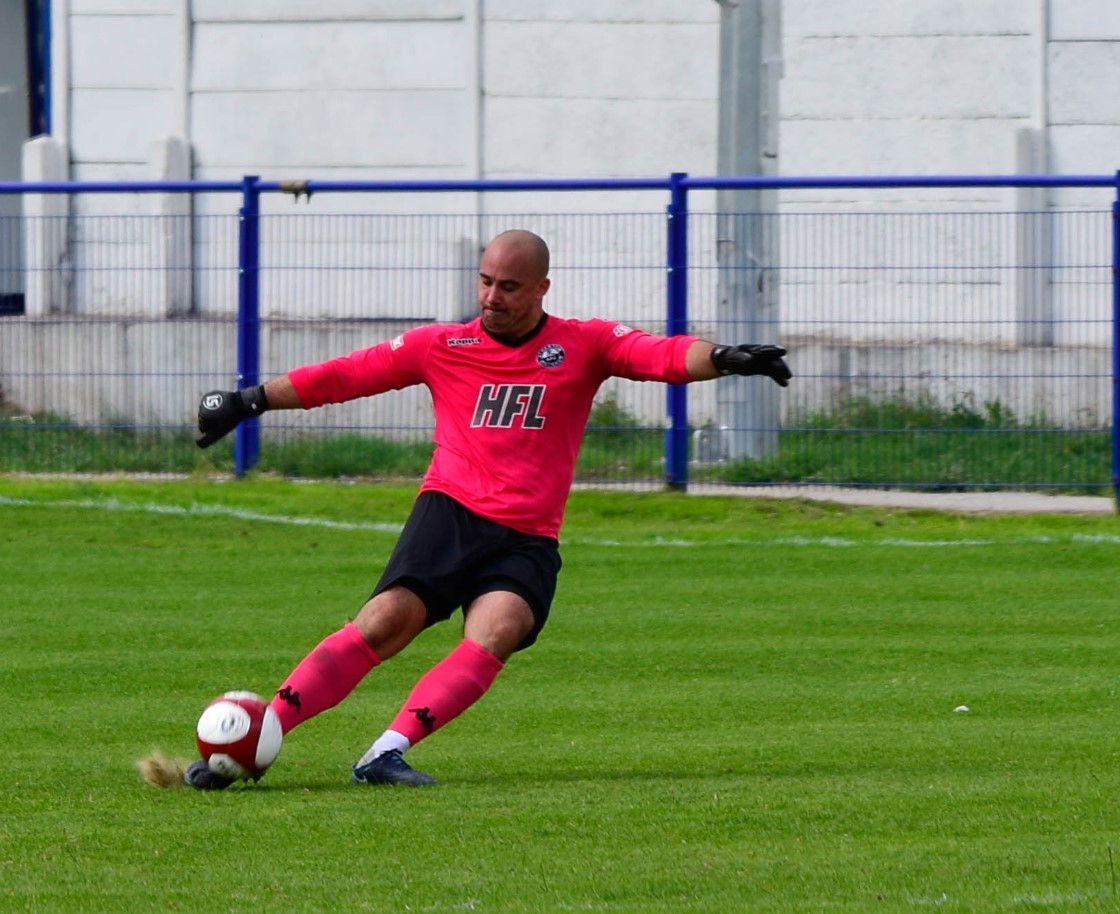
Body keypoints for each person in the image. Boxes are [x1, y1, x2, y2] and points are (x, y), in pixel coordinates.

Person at [186, 229, 791, 788]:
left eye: (508, 286)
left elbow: (658, 355)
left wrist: (725, 358)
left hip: (526, 535)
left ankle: (385, 754)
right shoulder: (441, 345)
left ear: (541, 289)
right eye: (485, 282)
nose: (491, 297)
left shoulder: (583, 344)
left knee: (498, 630)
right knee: (382, 624)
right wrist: (248, 400)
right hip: (449, 512)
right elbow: (346, 375)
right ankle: (257, 738)